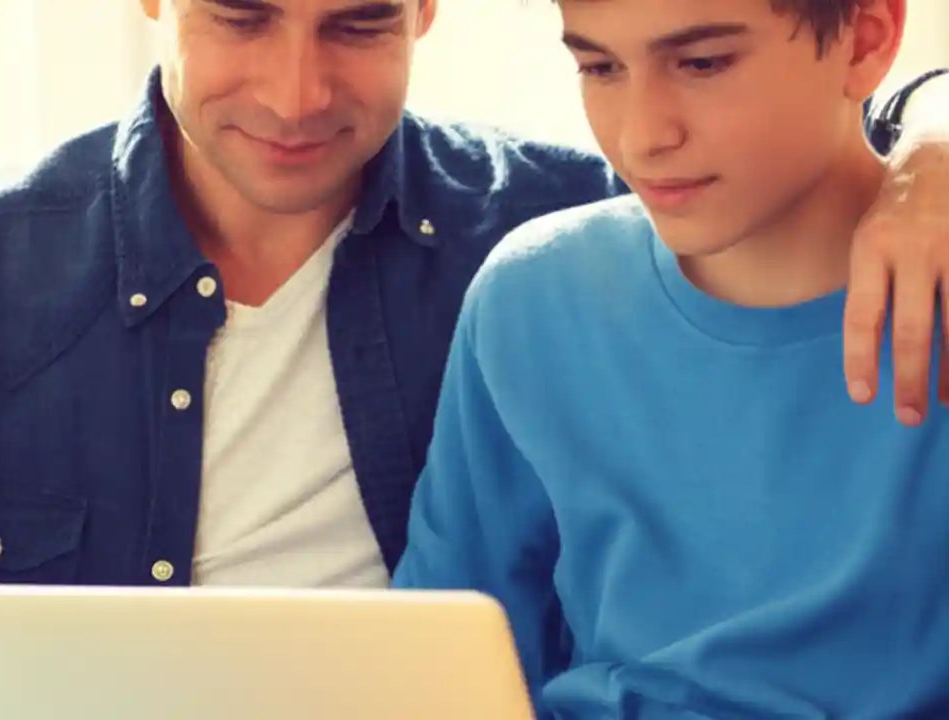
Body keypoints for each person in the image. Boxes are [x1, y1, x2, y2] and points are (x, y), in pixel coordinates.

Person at [0, 1, 949, 718]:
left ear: (423, 14)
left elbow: (789, 140)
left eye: (354, 23)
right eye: (242, 14)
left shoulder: (540, 229)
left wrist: (932, 157)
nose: (295, 95)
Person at [392, 0, 947, 716]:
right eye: (600, 67)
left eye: (703, 64)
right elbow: (436, 664)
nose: (642, 135)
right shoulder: (533, 298)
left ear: (866, 40)